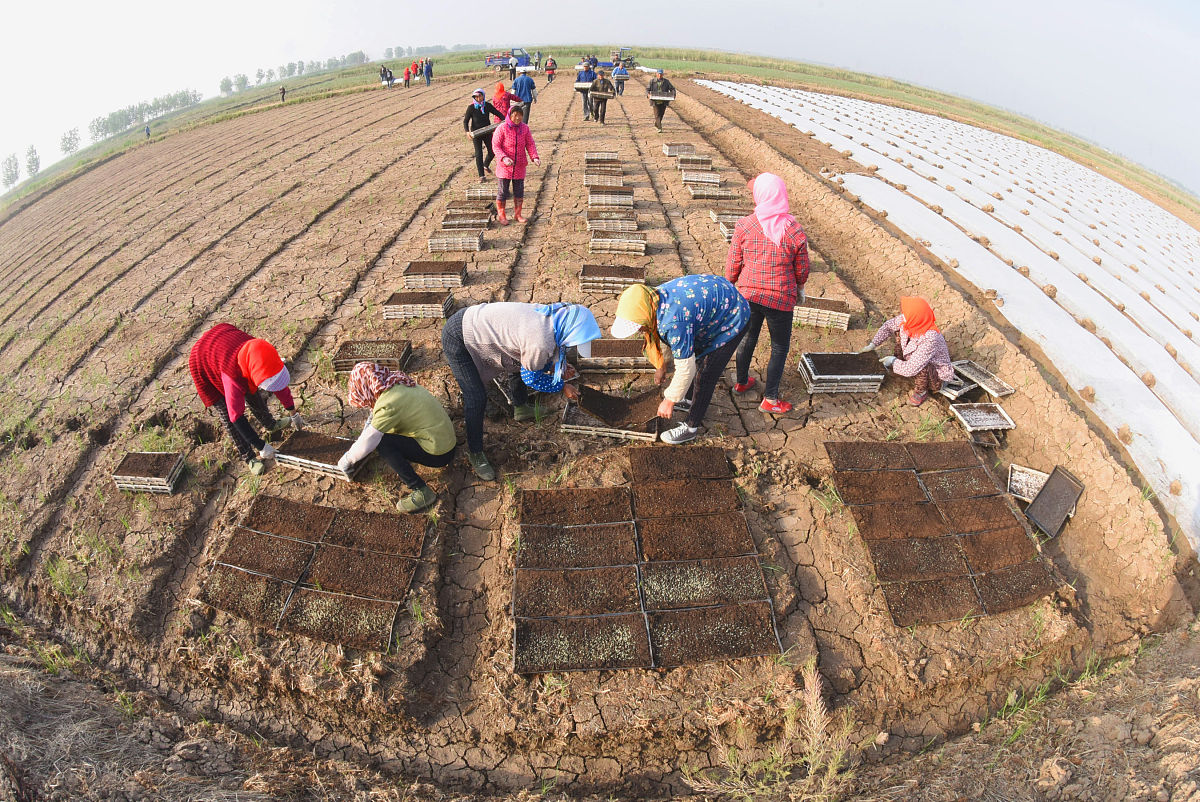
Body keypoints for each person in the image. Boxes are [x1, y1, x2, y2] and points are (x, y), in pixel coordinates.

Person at [441, 302, 601, 480]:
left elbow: (541, 355)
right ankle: (475, 452)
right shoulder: (539, 342)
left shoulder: (556, 317)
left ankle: (521, 407)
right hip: (460, 335)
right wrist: (562, 386)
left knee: (519, 361)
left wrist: (559, 366)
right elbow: (531, 377)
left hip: (481, 323)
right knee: (476, 398)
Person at [611, 275, 749, 445]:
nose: (639, 330)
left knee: (705, 375)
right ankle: (690, 399)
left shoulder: (673, 321)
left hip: (731, 318)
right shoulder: (653, 299)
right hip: (714, 306)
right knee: (696, 358)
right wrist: (661, 367)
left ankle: (691, 427)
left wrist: (669, 400)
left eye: (638, 325)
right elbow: (668, 341)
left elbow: (686, 367)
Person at [726, 173, 811, 415]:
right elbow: (802, 268)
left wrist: (731, 284)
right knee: (779, 347)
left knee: (747, 338)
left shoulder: (745, 225)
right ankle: (770, 399)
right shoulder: (794, 230)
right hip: (781, 298)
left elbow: (733, 262)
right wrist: (801, 287)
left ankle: (741, 382)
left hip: (749, 295)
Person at [336, 362, 457, 513]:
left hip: (439, 453)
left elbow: (371, 438)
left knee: (383, 442)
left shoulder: (388, 404)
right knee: (382, 433)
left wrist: (346, 460)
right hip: (446, 442)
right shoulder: (395, 383)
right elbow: (373, 418)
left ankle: (421, 491)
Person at [188, 323, 304, 475]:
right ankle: (248, 456)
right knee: (227, 414)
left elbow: (279, 384)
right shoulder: (232, 378)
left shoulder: (262, 354)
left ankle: (270, 423)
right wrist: (261, 446)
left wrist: (293, 412)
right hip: (203, 361)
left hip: (224, 340)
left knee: (253, 391)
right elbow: (236, 417)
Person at [861, 297, 954, 406]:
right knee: (899, 333)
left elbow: (911, 369)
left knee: (923, 366)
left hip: (936, 376)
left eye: (906, 315)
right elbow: (888, 326)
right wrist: (873, 344)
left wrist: (892, 361)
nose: (903, 317)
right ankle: (899, 365)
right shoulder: (910, 320)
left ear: (917, 316)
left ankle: (921, 392)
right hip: (913, 362)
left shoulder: (931, 338)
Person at [491, 105, 539, 225]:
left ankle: (518, 214)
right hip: (505, 166)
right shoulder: (502, 128)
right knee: (503, 191)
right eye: (515, 115)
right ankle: (502, 215)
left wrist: (535, 157)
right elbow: (495, 146)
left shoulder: (524, 129)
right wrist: (504, 157)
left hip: (519, 165)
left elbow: (530, 144)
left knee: (519, 191)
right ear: (510, 115)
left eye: (520, 115)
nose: (517, 118)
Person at [464, 89, 502, 182]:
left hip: (487, 132)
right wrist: (467, 132)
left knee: (492, 151)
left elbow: (498, 113)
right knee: (479, 154)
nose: (478, 98)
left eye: (479, 96)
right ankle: (481, 176)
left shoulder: (487, 106)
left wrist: (506, 121)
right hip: (476, 134)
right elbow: (465, 121)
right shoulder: (471, 108)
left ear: (483, 96)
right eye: (476, 97)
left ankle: (486, 164)